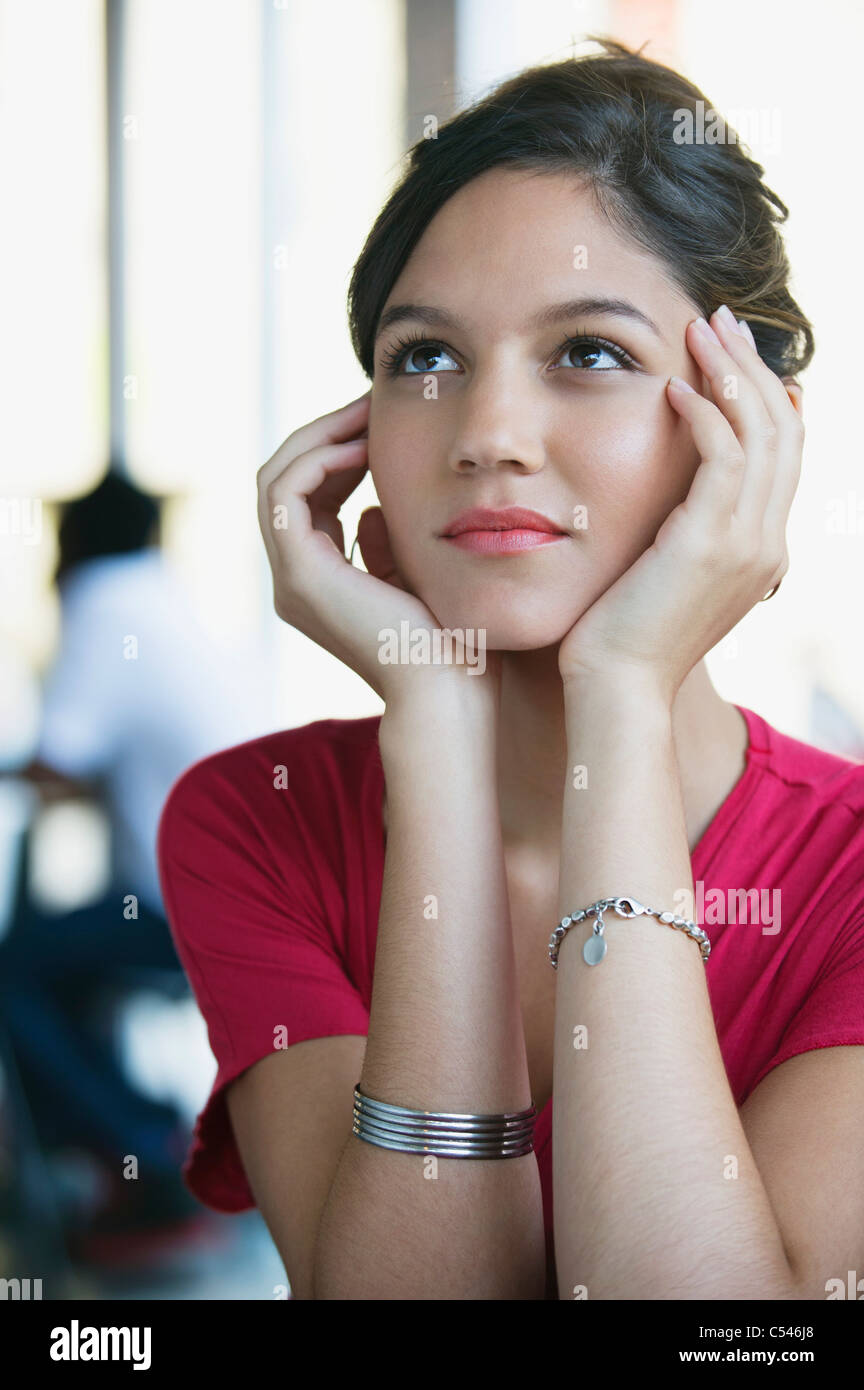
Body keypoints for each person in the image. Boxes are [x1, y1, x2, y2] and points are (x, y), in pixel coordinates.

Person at [157, 38, 864, 1300]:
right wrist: (431, 720)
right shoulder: (251, 823)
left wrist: (624, 694)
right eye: (425, 356)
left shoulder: (849, 875)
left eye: (588, 351)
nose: (485, 435)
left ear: (753, 425)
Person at [1, 471, 276, 1260]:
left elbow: (59, 762)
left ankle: (145, 1144)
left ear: (73, 541)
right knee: (61, 968)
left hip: (184, 909)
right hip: (244, 897)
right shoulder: (165, 601)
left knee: (14, 969)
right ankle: (119, 1153)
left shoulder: (105, 601)